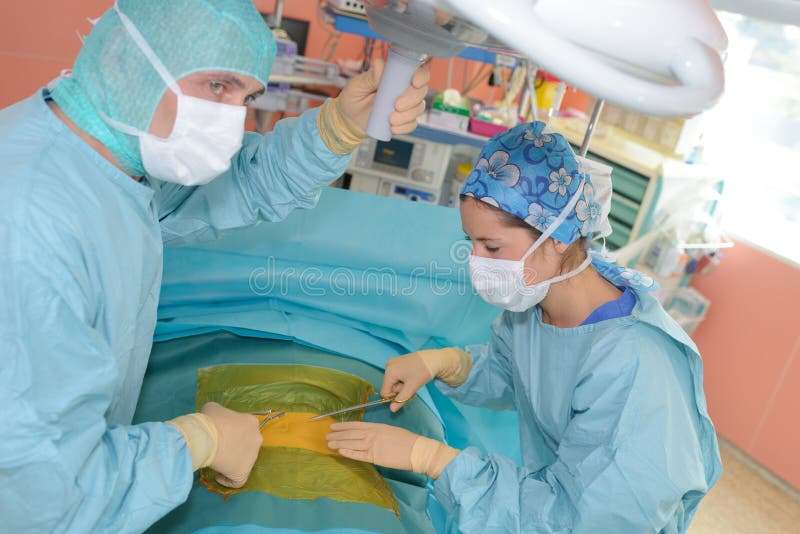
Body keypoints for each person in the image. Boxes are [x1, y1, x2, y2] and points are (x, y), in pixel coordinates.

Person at [0, 1, 429, 532]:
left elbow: (237, 186)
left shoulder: (116, 163)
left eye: (247, 98)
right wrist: (195, 443)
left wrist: (338, 127)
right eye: (217, 87)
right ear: (122, 61)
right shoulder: (29, 228)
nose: (230, 119)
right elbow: (41, 500)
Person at [327, 121, 723, 533]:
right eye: (471, 244)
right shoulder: (536, 303)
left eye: (492, 247)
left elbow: (580, 521)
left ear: (559, 237)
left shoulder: (634, 367)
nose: (476, 262)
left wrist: (434, 460)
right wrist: (446, 363)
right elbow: (514, 370)